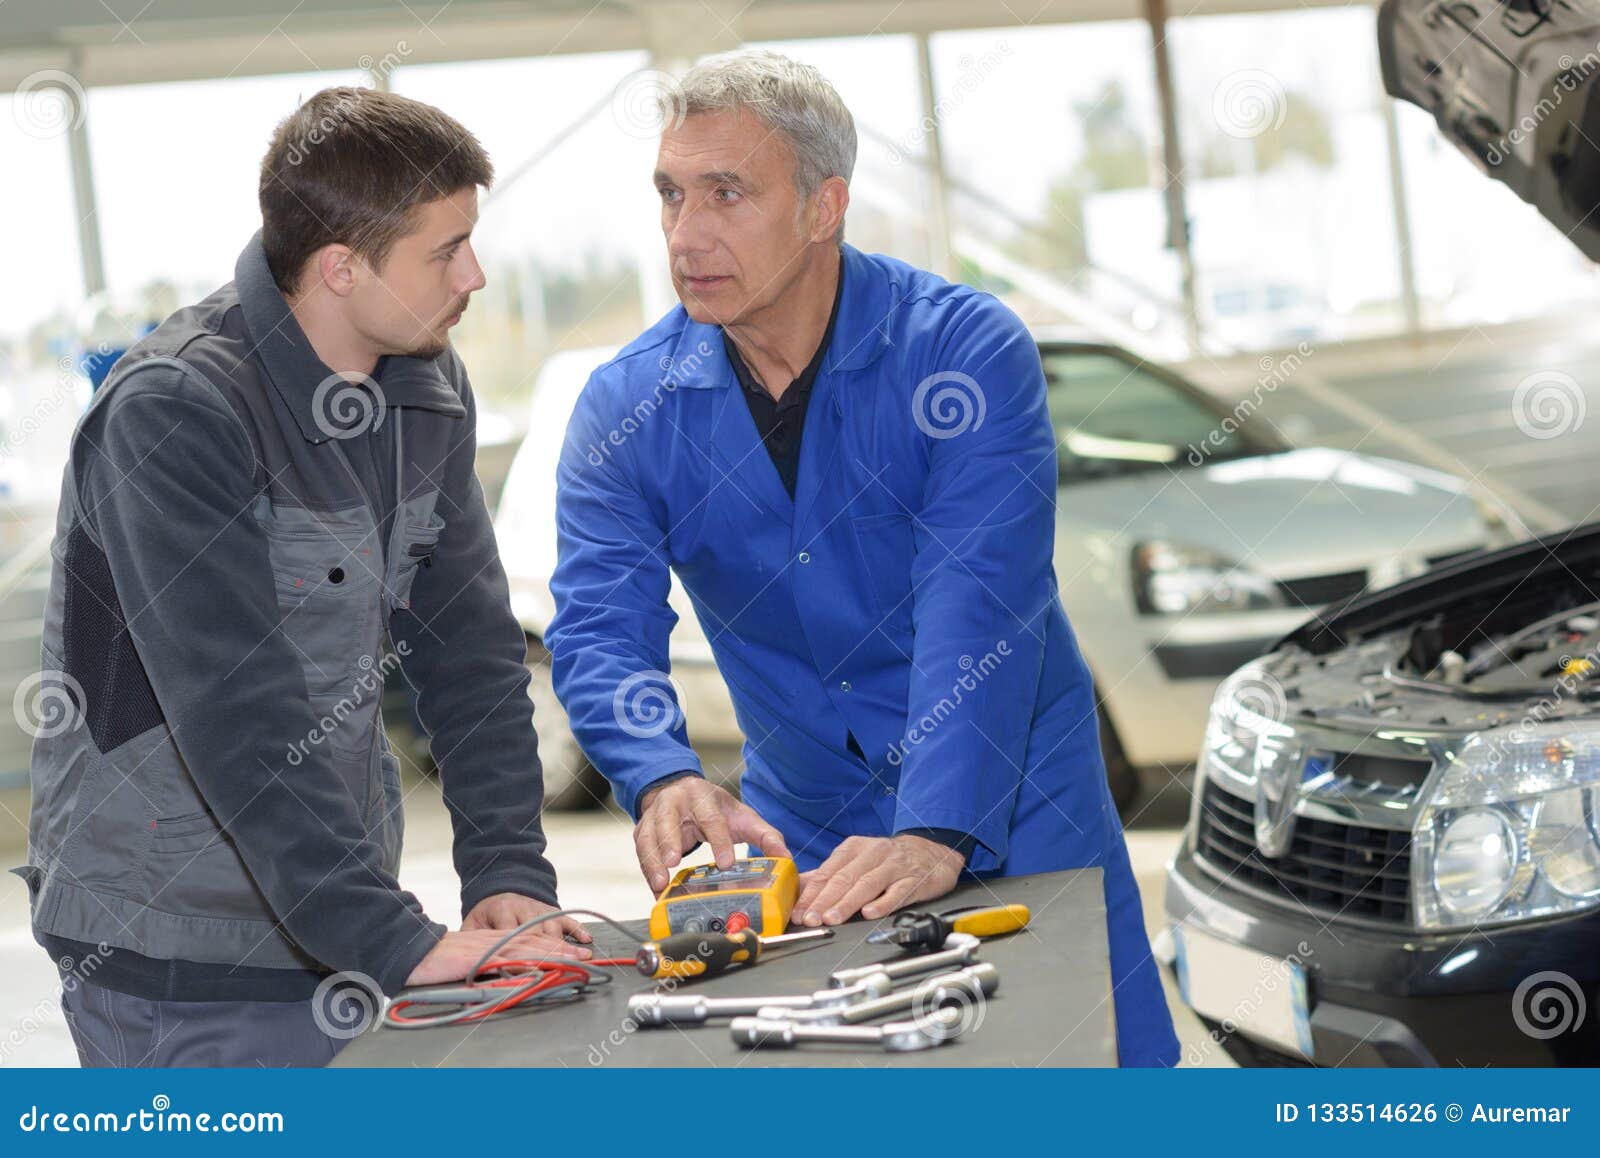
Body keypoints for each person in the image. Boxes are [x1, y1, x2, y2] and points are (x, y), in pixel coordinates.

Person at [545, 49, 1180, 1066]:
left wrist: (937, 826)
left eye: (726, 194)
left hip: (1012, 794)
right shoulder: (628, 408)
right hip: (806, 825)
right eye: (669, 195)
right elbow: (598, 622)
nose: (686, 232)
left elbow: (979, 601)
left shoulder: (962, 352)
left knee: (1080, 1076)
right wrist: (658, 773)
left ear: (821, 206)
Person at [15, 86, 590, 1068]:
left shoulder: (424, 383)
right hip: (175, 955)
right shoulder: (174, 412)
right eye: (445, 250)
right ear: (340, 267)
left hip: (339, 924)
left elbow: (470, 651)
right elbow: (241, 714)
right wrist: (397, 943)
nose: (477, 273)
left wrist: (505, 870)